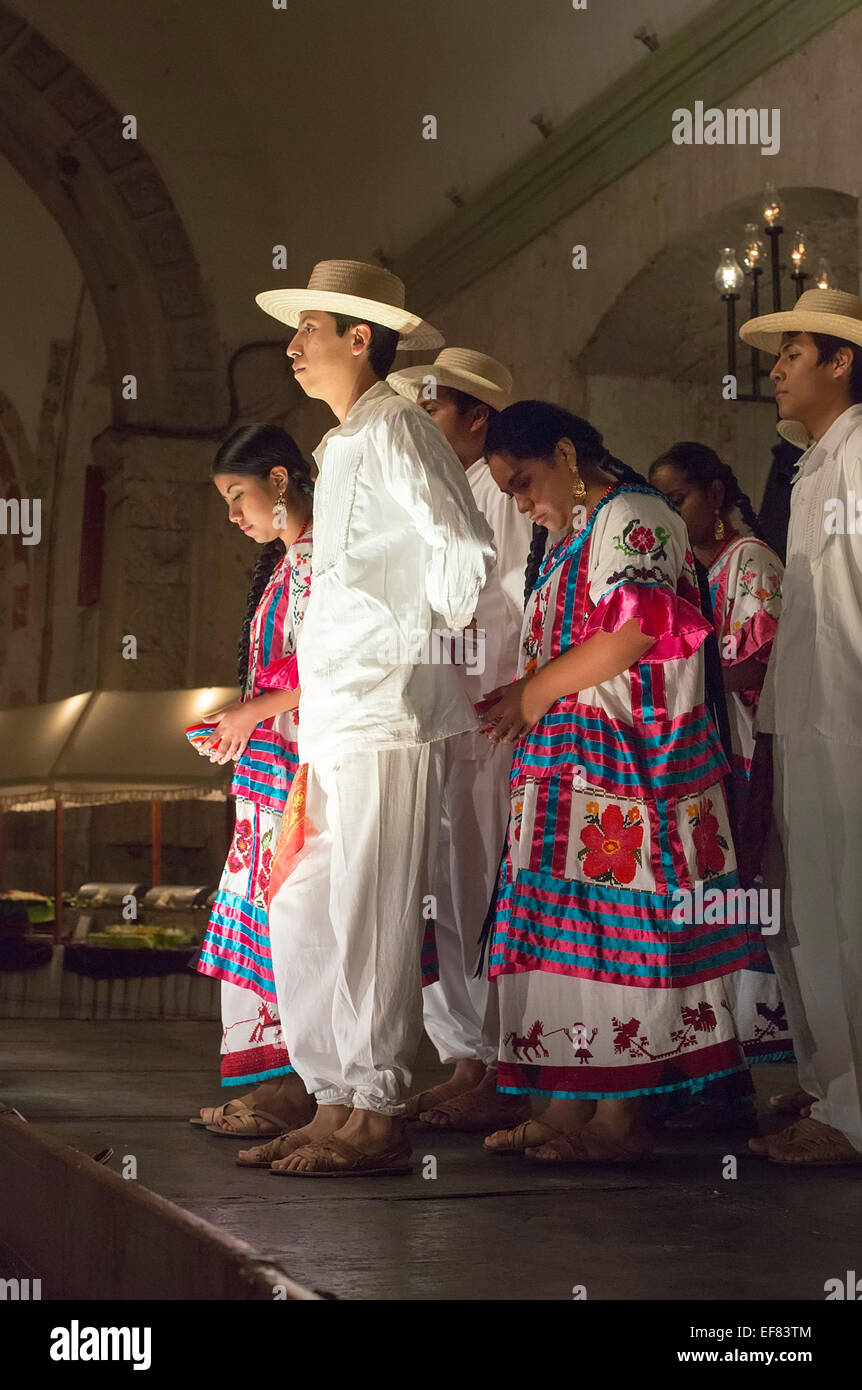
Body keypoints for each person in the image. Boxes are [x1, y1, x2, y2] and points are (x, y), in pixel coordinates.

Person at [241, 260, 496, 1177]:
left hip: (387, 707)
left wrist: (414, 643)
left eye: (309, 329)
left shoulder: (397, 428)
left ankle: (378, 1110)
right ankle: (335, 1094)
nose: (293, 346)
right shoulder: (343, 442)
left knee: (376, 907)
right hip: (337, 714)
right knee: (311, 901)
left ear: (360, 337)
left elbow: (464, 550)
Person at [476, 401, 753, 1164]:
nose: (525, 504)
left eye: (525, 483)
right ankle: (568, 1104)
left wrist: (531, 695)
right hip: (574, 772)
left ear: (567, 453)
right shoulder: (577, 539)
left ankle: (618, 1120)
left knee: (613, 930)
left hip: (626, 771)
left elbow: (636, 631)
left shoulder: (633, 514)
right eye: (512, 495)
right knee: (568, 933)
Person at [387, 348, 534, 1130]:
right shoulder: (438, 487)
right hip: (443, 710)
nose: (424, 421)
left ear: (477, 418)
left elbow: (504, 604)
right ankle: (464, 1053)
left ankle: (503, 1057)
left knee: (483, 878)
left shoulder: (505, 492)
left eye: (436, 408)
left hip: (488, 708)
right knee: (444, 879)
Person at [736, 287, 862, 1165]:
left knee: (849, 909)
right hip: (811, 719)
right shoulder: (813, 462)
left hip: (851, 719)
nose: (775, 369)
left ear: (842, 361)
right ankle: (829, 1079)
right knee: (805, 912)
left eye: (793, 353)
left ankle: (855, 1110)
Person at [649, 442, 792, 1128]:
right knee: (701, 909)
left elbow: (768, 657)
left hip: (744, 759)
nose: (673, 511)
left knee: (738, 910)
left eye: (679, 498)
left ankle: (734, 1075)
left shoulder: (750, 562)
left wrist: (687, 685)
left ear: (713, 493)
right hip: (697, 764)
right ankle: (705, 1065)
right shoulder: (685, 572)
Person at [191, 425, 315, 1139]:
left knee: (291, 922)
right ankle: (265, 1081)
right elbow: (280, 674)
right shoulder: (286, 565)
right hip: (270, 773)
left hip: (303, 772)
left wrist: (253, 712)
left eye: (238, 496)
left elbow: (330, 660)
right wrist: (238, 720)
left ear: (278, 480)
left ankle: (293, 1087)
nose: (234, 515)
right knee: (262, 923)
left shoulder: (323, 559)